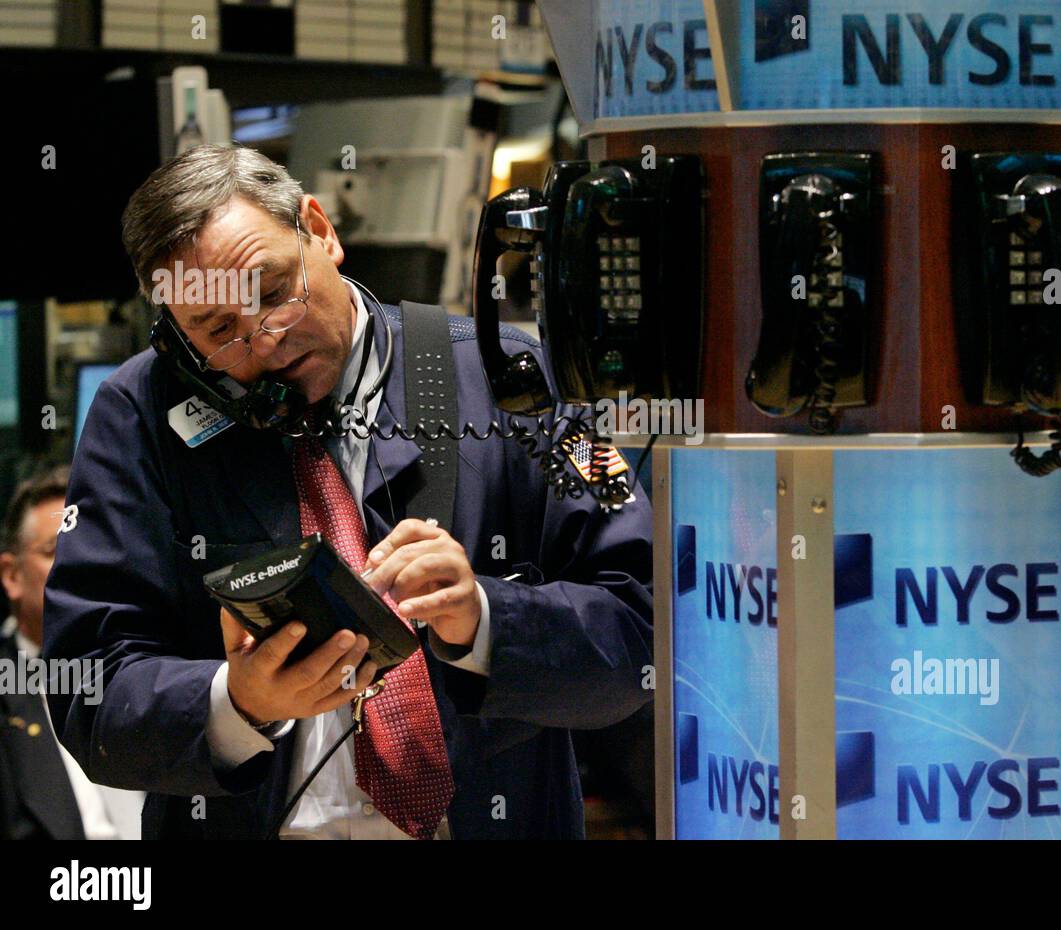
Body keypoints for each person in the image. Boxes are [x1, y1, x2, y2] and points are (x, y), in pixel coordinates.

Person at [42, 144, 654, 839]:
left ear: (320, 230)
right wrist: (231, 702)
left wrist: (486, 619)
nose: (265, 340)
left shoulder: (505, 374)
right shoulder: (141, 414)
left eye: (272, 291)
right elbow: (83, 686)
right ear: (178, 340)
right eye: (218, 331)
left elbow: (641, 626)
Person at [1, 466, 145, 839]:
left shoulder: (153, 664)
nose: (81, 565)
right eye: (57, 549)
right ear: (11, 575)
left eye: (94, 548)